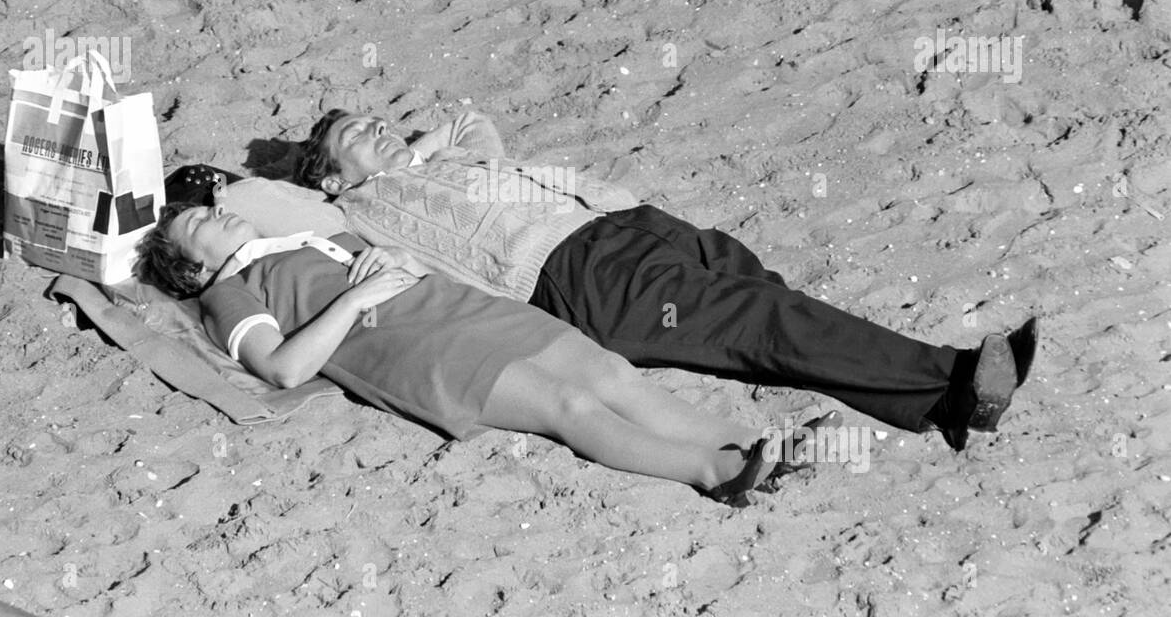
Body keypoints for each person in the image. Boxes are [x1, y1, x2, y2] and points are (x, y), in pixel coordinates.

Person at [294, 108, 1039, 453]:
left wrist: (411, 151)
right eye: (354, 137)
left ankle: (937, 402)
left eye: (373, 119)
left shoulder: (434, 162)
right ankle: (956, 379)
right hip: (574, 271)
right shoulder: (368, 211)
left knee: (770, 297)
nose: (378, 130)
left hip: (618, 221)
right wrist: (376, 179)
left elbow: (467, 119)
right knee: (758, 322)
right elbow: (285, 211)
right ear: (332, 179)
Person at [134, 202, 840, 507]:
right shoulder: (228, 292)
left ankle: (750, 445)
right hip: (411, 347)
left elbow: (389, 265)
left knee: (609, 373)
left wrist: (389, 258)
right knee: (568, 406)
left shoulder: (286, 242)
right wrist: (356, 297)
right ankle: (713, 471)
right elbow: (284, 367)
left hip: (458, 309)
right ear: (192, 269)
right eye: (199, 222)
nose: (217, 210)